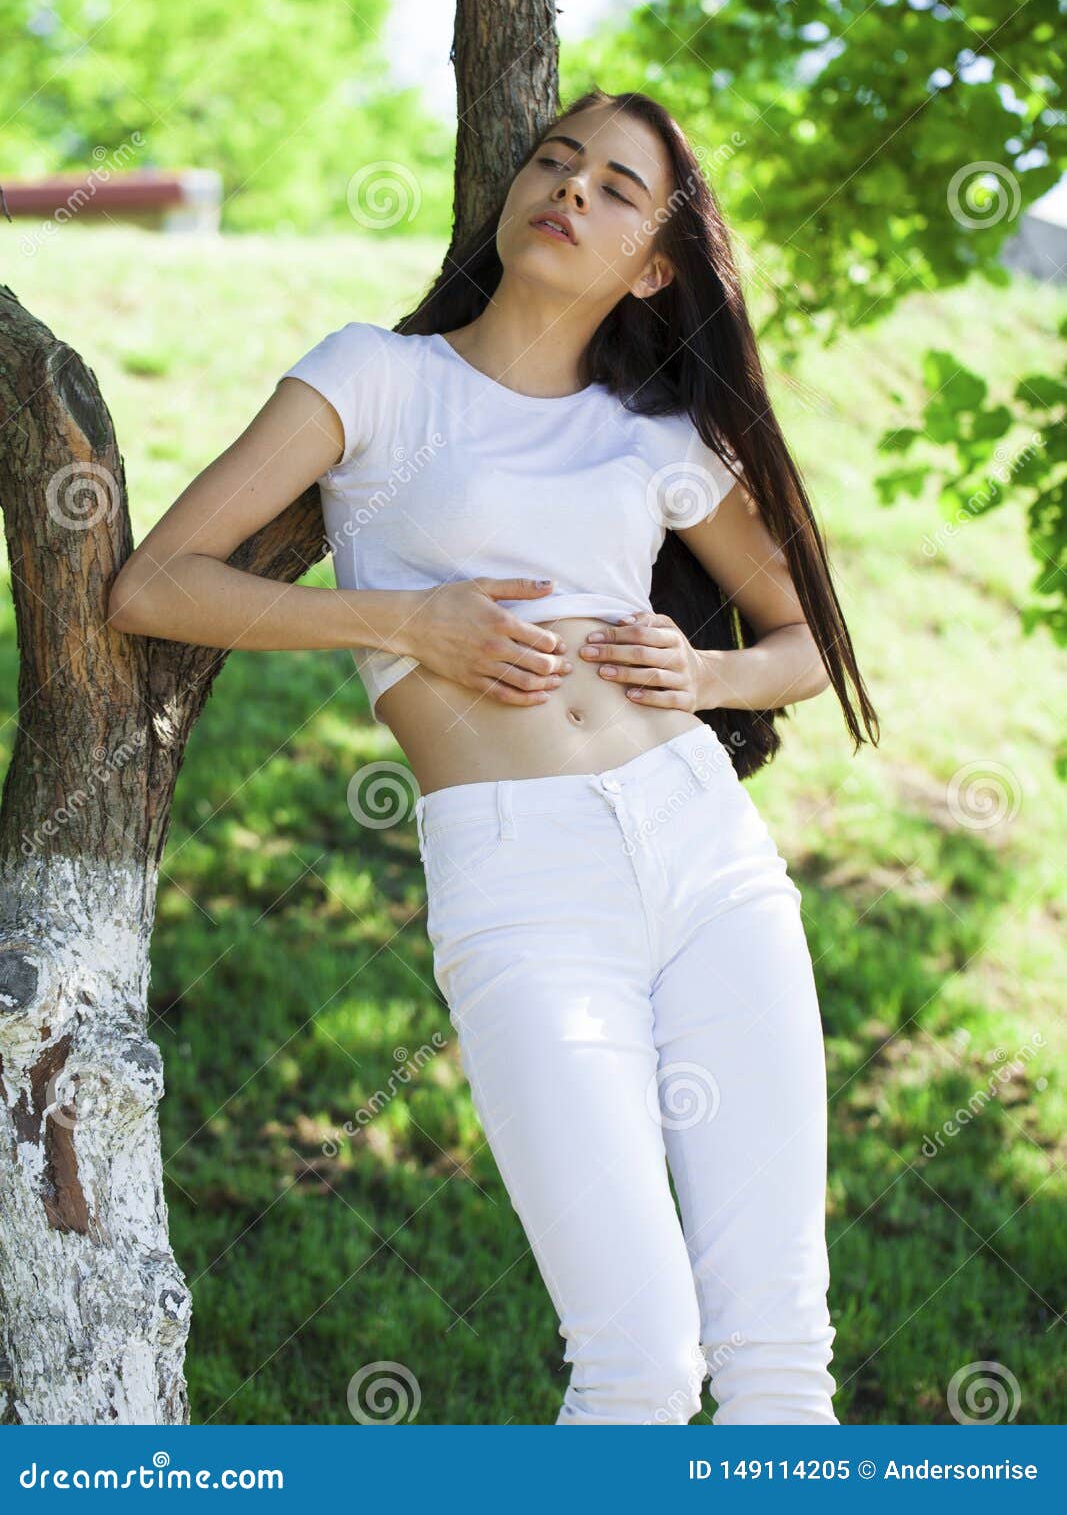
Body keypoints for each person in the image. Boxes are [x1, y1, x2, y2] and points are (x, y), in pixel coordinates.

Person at [108, 87, 879, 1425]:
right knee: (638, 1360)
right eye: (554, 159)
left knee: (779, 1362)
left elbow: (807, 635)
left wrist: (708, 674)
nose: (568, 188)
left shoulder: (650, 434)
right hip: (526, 884)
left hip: (705, 853)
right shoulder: (375, 376)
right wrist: (403, 620)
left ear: (654, 267)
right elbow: (153, 585)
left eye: (617, 188)